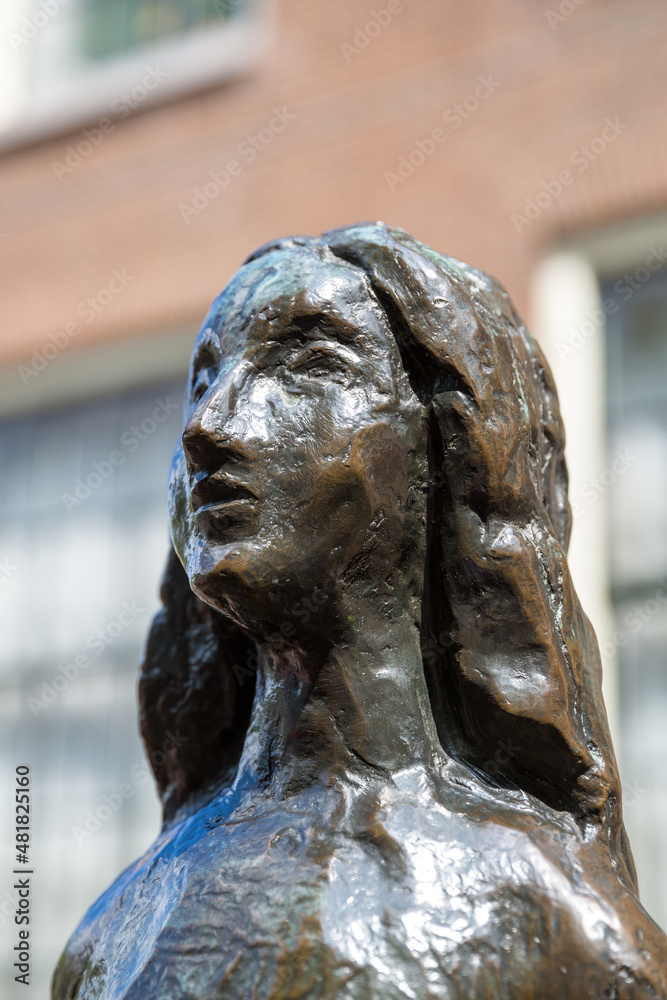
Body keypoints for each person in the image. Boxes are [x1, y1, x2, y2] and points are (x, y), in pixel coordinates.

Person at [53, 223, 666, 999]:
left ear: (446, 452)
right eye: (205, 378)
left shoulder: (555, 927)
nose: (209, 425)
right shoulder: (115, 933)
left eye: (309, 365)